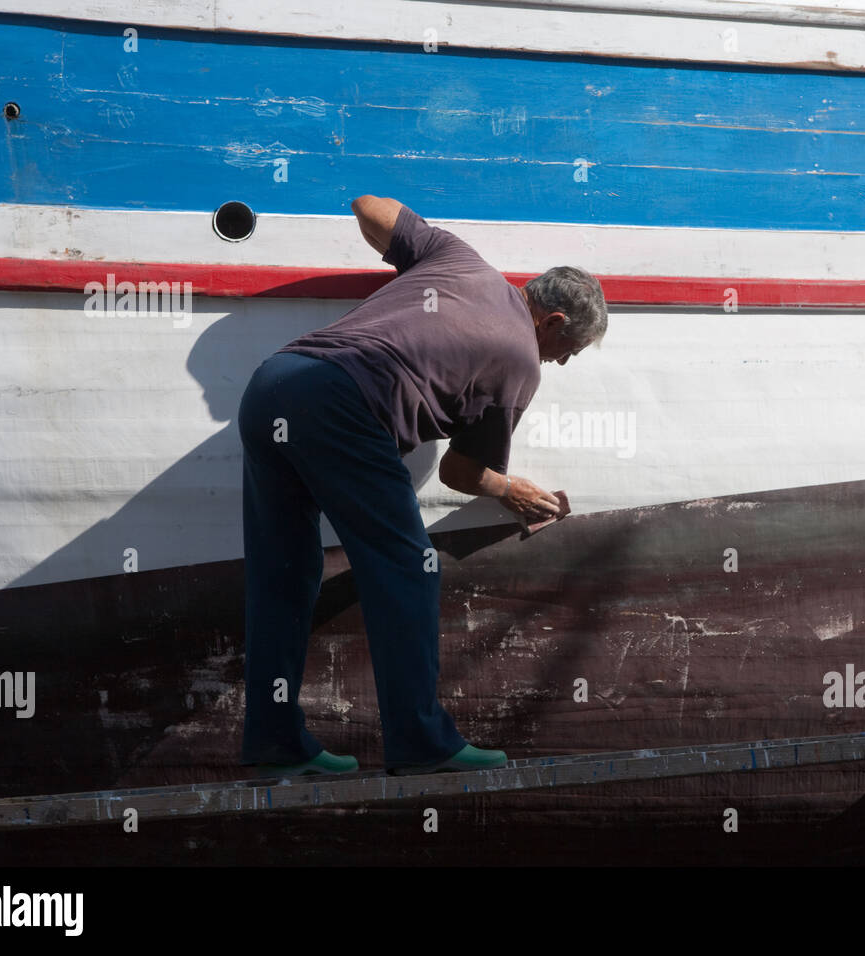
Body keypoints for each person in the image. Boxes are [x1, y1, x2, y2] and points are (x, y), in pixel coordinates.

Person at [237, 195, 608, 776]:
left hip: (273, 386)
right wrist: (511, 489)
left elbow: (368, 208)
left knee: (283, 576)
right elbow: (460, 473)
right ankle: (419, 743)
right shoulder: (521, 361)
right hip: (342, 406)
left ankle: (272, 741)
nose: (560, 363)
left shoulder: (460, 259)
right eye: (570, 350)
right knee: (408, 568)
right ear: (554, 322)